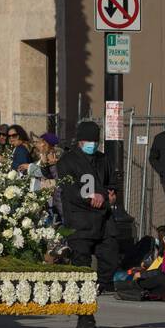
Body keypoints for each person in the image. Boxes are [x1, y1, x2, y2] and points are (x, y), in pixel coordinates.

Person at [56, 120, 120, 294]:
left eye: (95, 142)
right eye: (89, 142)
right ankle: (81, 290)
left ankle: (102, 284)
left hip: (104, 216)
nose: (93, 145)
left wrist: (110, 195)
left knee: (110, 253)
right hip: (80, 218)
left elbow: (112, 183)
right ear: (80, 141)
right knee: (81, 258)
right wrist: (91, 196)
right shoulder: (67, 161)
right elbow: (70, 191)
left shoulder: (103, 159)